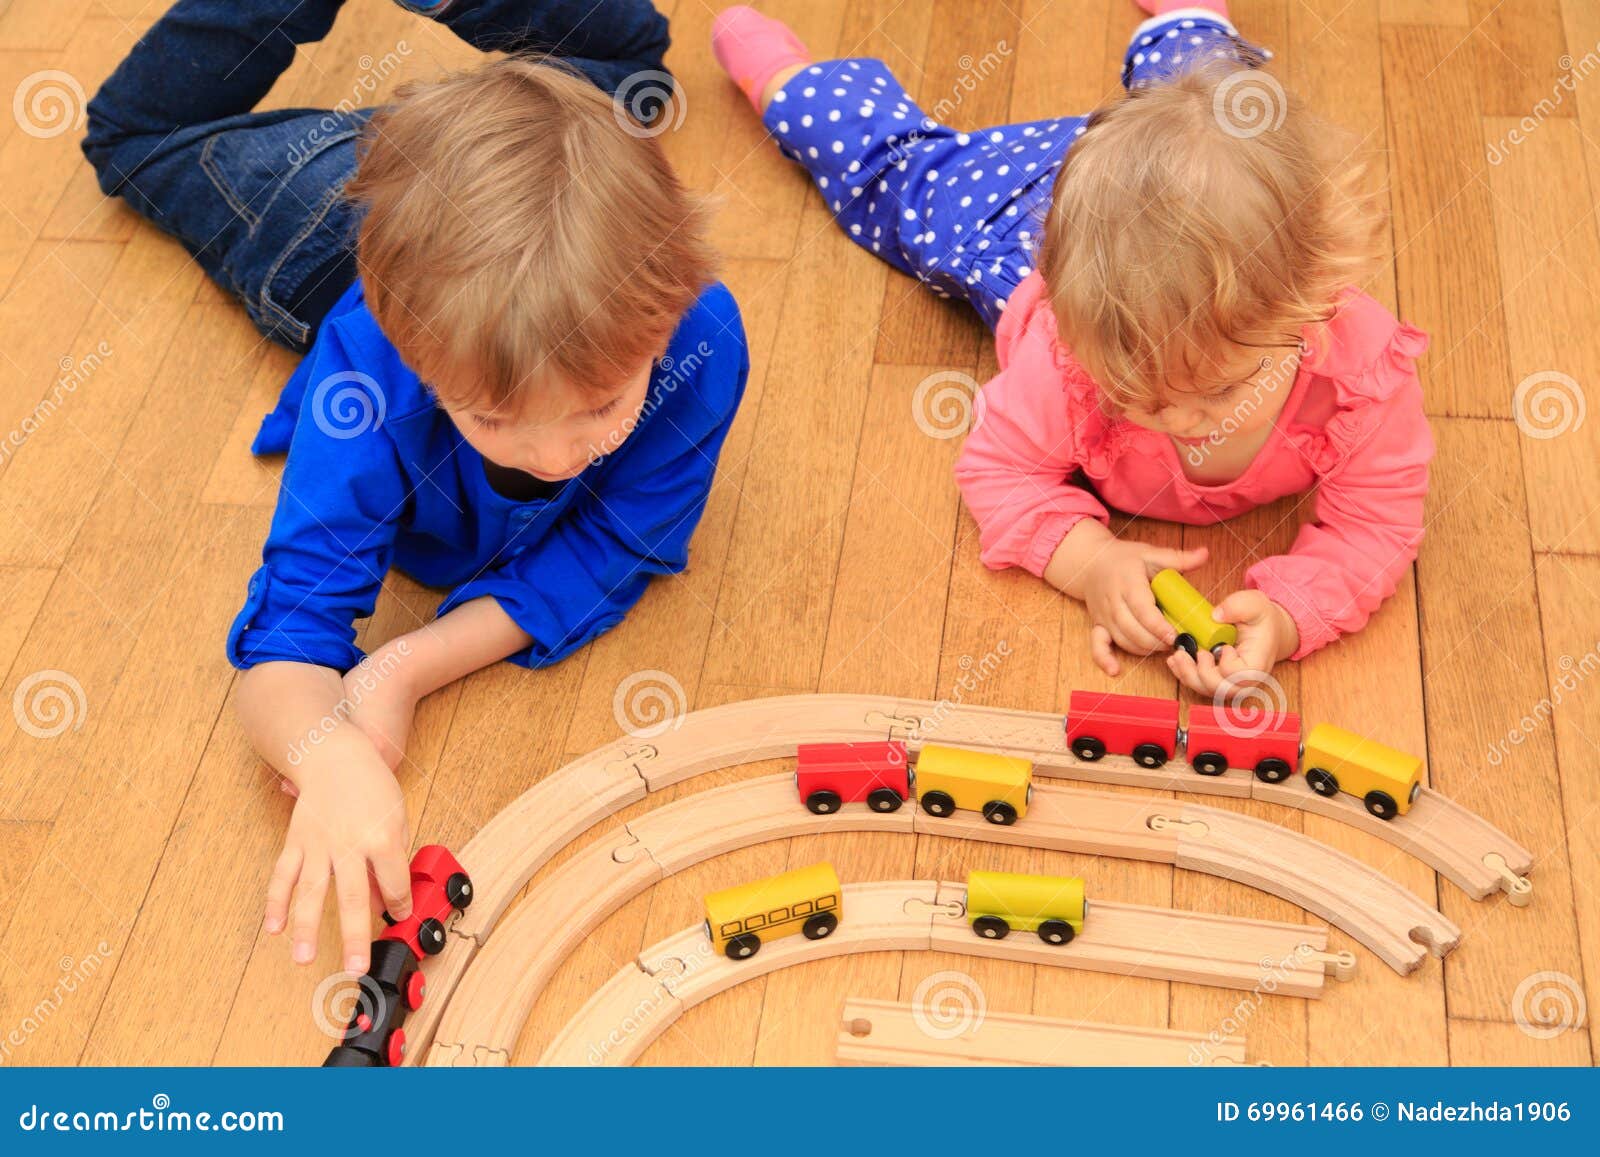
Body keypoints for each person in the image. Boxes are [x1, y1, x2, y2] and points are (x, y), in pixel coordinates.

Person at [84, 0, 749, 974]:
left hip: (495, 187)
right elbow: (289, 636)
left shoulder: (699, 335)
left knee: (631, 70)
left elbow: (612, 550)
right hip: (314, 230)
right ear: (413, 359)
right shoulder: (364, 381)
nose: (558, 457)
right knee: (133, 139)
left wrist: (403, 667)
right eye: (492, 418)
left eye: (601, 405)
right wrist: (328, 754)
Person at [711, 1, 1432, 694]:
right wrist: (1089, 562)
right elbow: (999, 470)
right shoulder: (1063, 359)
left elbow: (1375, 526)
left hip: (1167, 177)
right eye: (1136, 395)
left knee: (1214, 98)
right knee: (903, 181)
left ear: (1309, 311)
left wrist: (1289, 615)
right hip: (1013, 207)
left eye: (1218, 391)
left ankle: (1193, 19)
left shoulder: (1359, 377)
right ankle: (788, 84)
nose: (1184, 421)